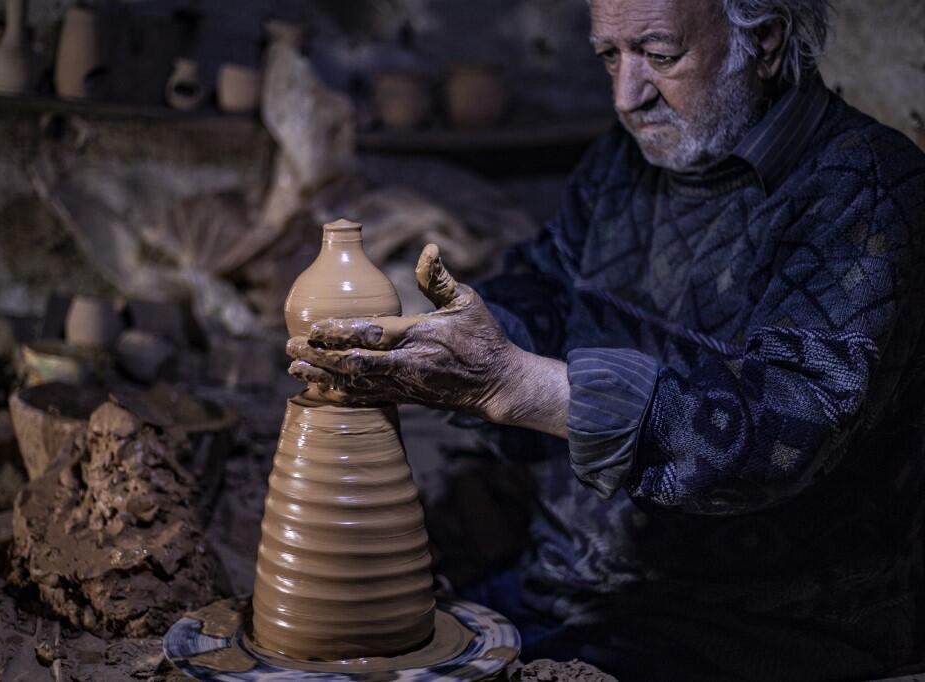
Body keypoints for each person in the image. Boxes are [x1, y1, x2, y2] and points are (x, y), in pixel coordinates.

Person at [286, 0, 925, 679]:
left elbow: (774, 439)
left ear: (763, 43)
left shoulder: (867, 195)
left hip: (766, 628)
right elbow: (549, 287)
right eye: (609, 56)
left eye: (659, 55)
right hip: (572, 590)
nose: (627, 96)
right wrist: (443, 342)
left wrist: (514, 383)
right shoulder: (629, 158)